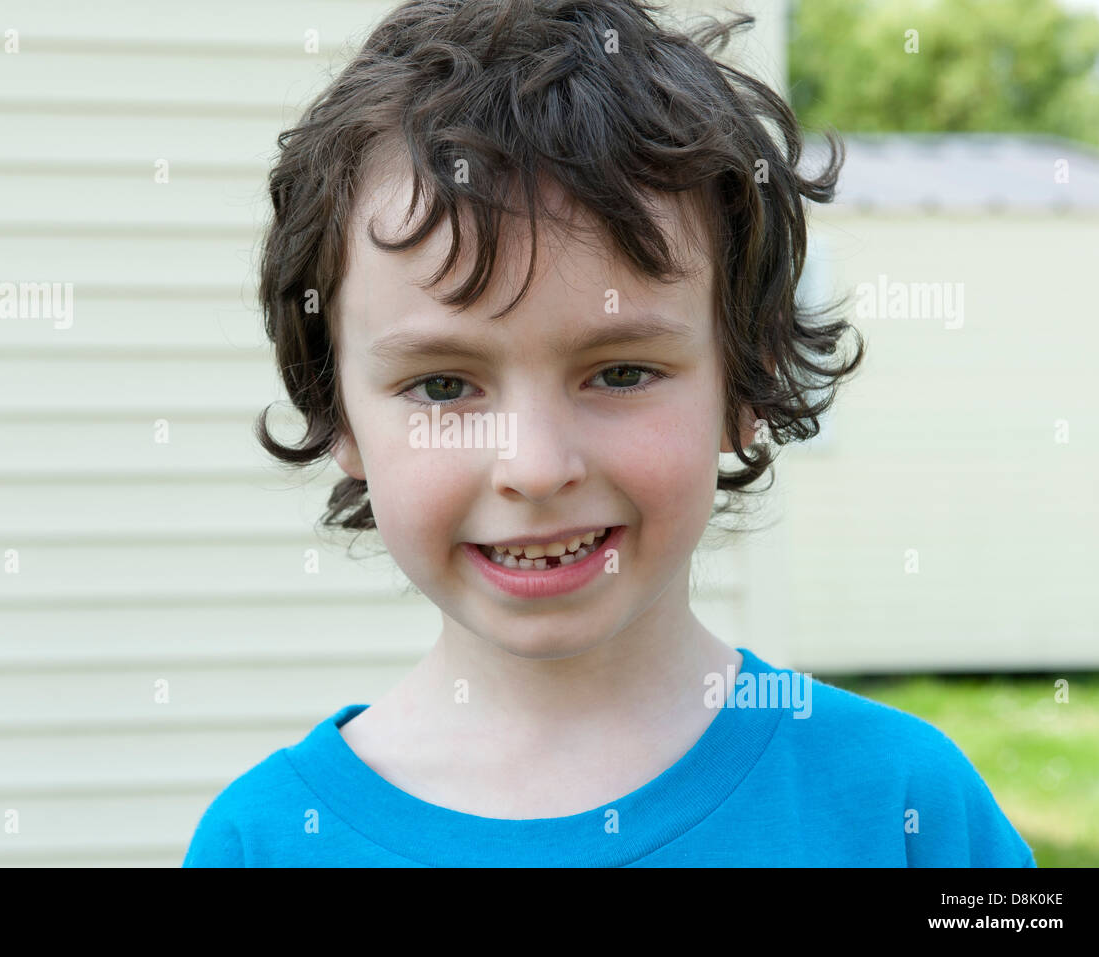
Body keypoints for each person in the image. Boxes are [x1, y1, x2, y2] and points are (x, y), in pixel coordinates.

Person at [183, 0, 1036, 867]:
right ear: (340, 417)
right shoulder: (263, 842)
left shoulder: (904, 804)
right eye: (442, 384)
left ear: (745, 382)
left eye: (621, 372)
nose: (538, 466)